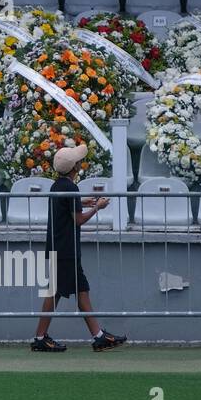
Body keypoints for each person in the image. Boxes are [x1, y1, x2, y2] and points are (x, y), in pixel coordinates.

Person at [31, 142, 127, 352]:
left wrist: (84, 201)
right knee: (57, 291)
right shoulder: (70, 188)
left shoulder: (58, 186)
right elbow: (78, 220)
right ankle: (40, 337)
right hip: (66, 248)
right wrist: (98, 208)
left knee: (80, 290)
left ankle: (98, 335)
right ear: (74, 167)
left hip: (61, 246)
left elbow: (67, 207)